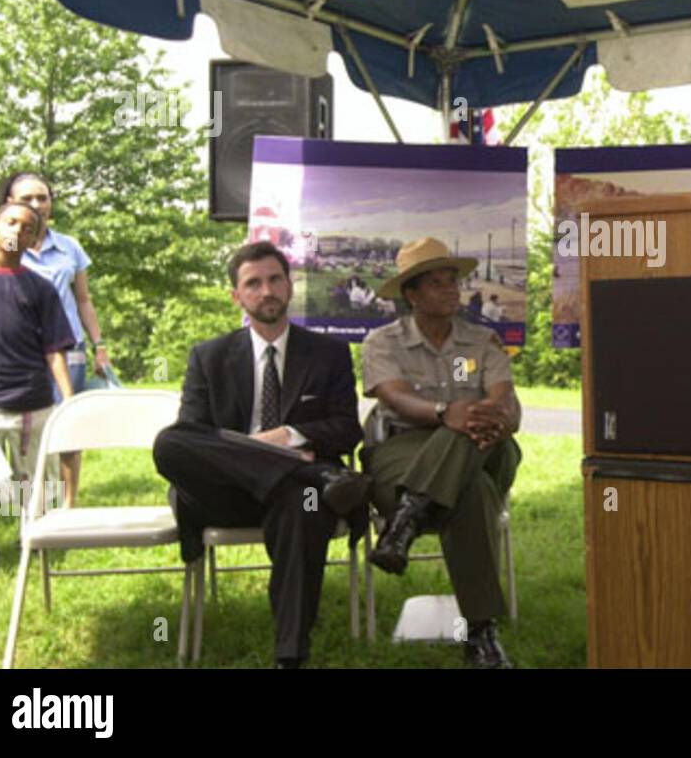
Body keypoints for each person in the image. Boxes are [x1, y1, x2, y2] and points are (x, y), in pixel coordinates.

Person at [152, 241, 369, 667]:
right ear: (237, 296)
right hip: (226, 495)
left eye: (274, 280)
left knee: (306, 507)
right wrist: (263, 455)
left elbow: (347, 430)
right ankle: (302, 475)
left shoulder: (328, 353)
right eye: (253, 283)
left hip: (296, 497)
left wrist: (286, 436)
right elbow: (191, 434)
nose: (266, 290)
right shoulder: (208, 356)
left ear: (289, 286)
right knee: (169, 442)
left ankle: (290, 656)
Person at [363, 237, 522, 669]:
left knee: (470, 429)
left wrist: (491, 416)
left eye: (453, 282)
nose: (452, 290)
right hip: (404, 450)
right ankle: (480, 634)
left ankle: (406, 519)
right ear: (411, 294)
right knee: (473, 495)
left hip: (488, 445)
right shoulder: (384, 341)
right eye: (437, 284)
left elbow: (504, 399)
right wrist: (442, 411)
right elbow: (394, 398)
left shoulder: (482, 340)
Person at [0, 203, 75, 587]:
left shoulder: (39, 288)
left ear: (33, 239)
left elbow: (55, 351)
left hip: (36, 402)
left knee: (37, 484)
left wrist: (70, 402)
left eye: (28, 228)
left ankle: (37, 541)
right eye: (11, 222)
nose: (18, 231)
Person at [0, 172, 111, 506]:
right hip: (19, 353)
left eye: (42, 197)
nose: (36, 204)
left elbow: (83, 300)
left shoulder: (69, 247)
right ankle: (29, 508)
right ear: (9, 204)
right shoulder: (4, 248)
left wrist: (99, 345)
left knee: (68, 423)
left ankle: (67, 504)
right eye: (27, 198)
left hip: (68, 348)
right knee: (21, 432)